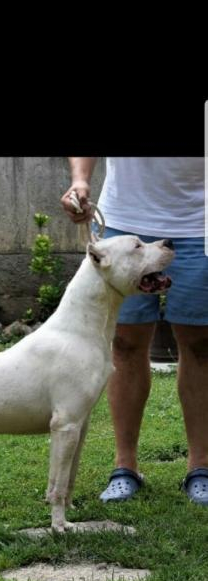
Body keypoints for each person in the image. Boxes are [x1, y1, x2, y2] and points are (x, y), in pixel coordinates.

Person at [61, 157, 208, 505]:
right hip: (123, 225)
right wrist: (80, 180)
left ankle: (201, 468)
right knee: (124, 344)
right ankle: (125, 467)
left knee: (202, 345)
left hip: (199, 224)